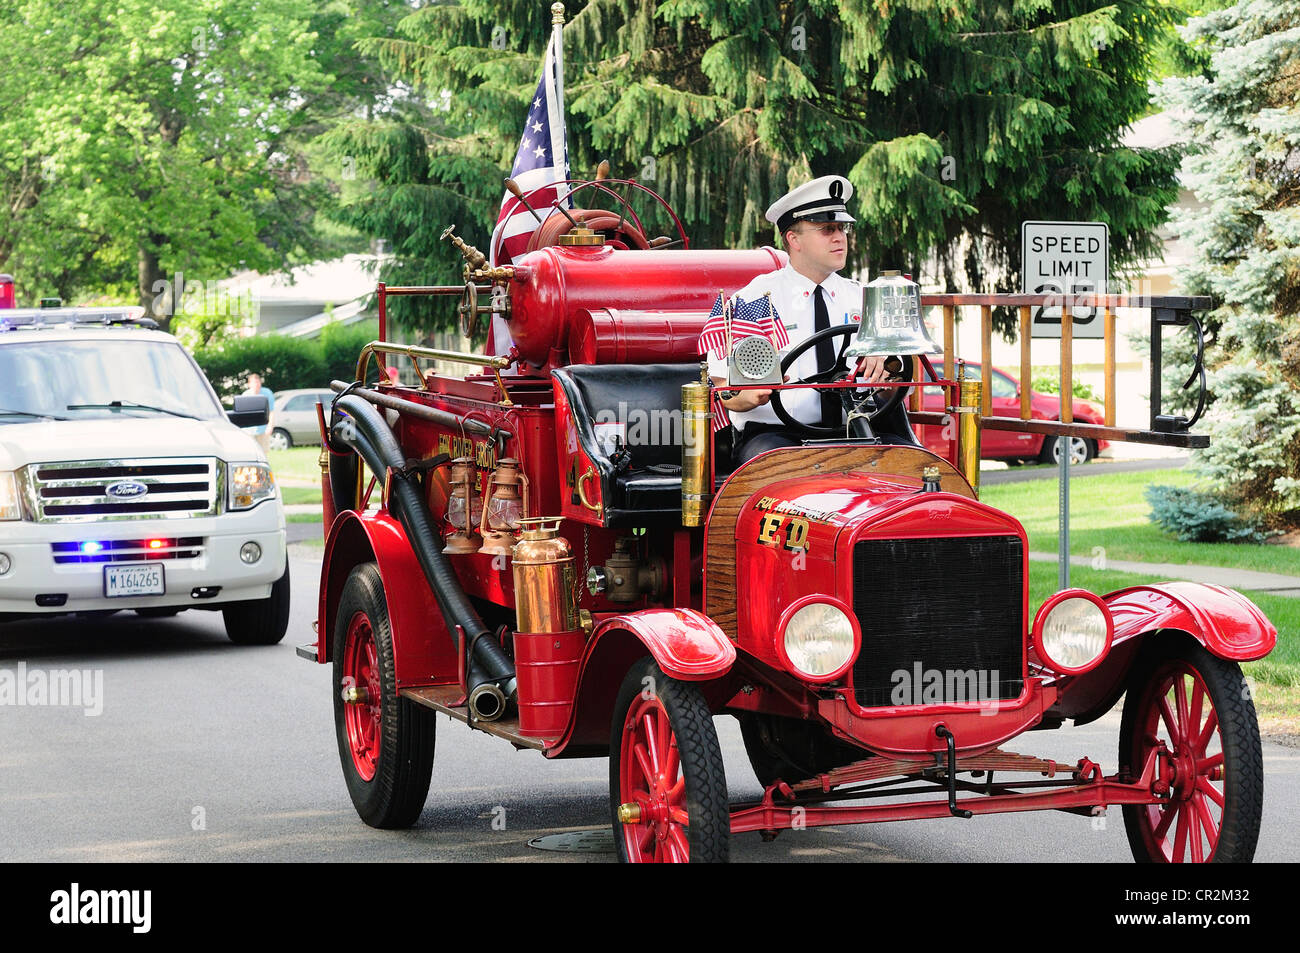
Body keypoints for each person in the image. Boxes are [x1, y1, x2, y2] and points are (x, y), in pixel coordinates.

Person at [706, 175, 917, 464]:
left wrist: (888, 360)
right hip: (777, 436)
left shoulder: (866, 299)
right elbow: (723, 388)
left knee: (917, 468)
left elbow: (897, 375)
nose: (839, 237)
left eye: (842, 228)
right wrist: (748, 396)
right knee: (775, 470)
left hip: (858, 429)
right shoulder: (750, 302)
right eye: (826, 229)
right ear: (794, 239)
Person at [243, 372, 275, 455]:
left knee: (264, 453)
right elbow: (243, 414)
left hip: (263, 429)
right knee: (251, 453)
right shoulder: (245, 395)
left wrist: (270, 426)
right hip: (249, 430)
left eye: (258, 382)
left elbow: (271, 411)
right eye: (254, 382)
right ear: (249, 384)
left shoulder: (267, 393)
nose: (256, 384)